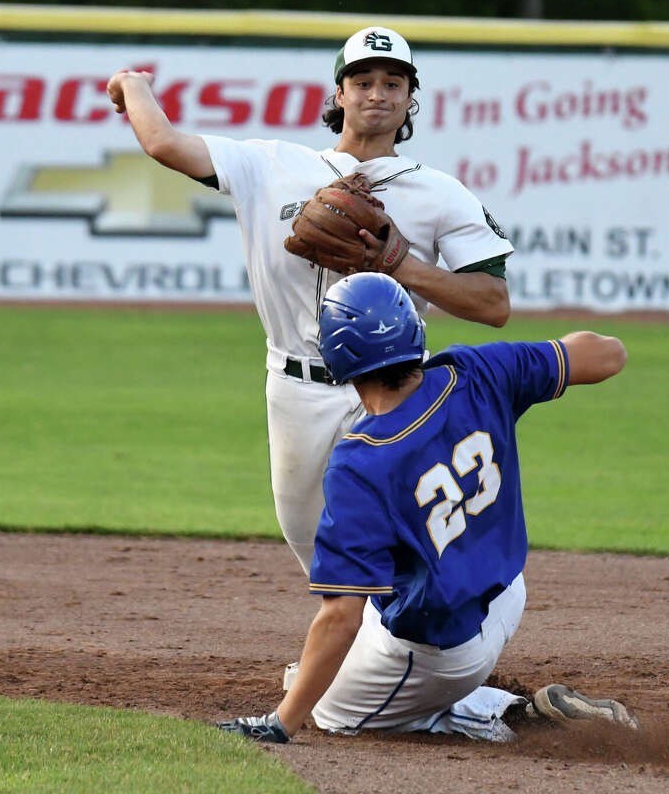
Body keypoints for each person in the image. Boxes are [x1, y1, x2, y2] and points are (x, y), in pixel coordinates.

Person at [107, 26, 514, 575]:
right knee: (315, 546)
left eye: (393, 83)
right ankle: (369, 650)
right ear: (339, 94)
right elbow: (164, 144)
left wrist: (403, 266)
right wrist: (132, 86)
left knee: (410, 538)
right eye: (362, 81)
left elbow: (493, 304)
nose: (378, 94)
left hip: (393, 385)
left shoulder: (441, 192)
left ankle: (419, 654)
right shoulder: (268, 166)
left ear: (410, 98)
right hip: (296, 387)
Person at [217, 273, 636, 742]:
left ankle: (509, 716)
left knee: (331, 710)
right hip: (508, 594)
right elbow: (608, 354)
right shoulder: (477, 371)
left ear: (338, 355)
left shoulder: (361, 462)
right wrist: (553, 354)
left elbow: (341, 616)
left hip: (444, 648)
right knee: (346, 645)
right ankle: (421, 689)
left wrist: (280, 723)